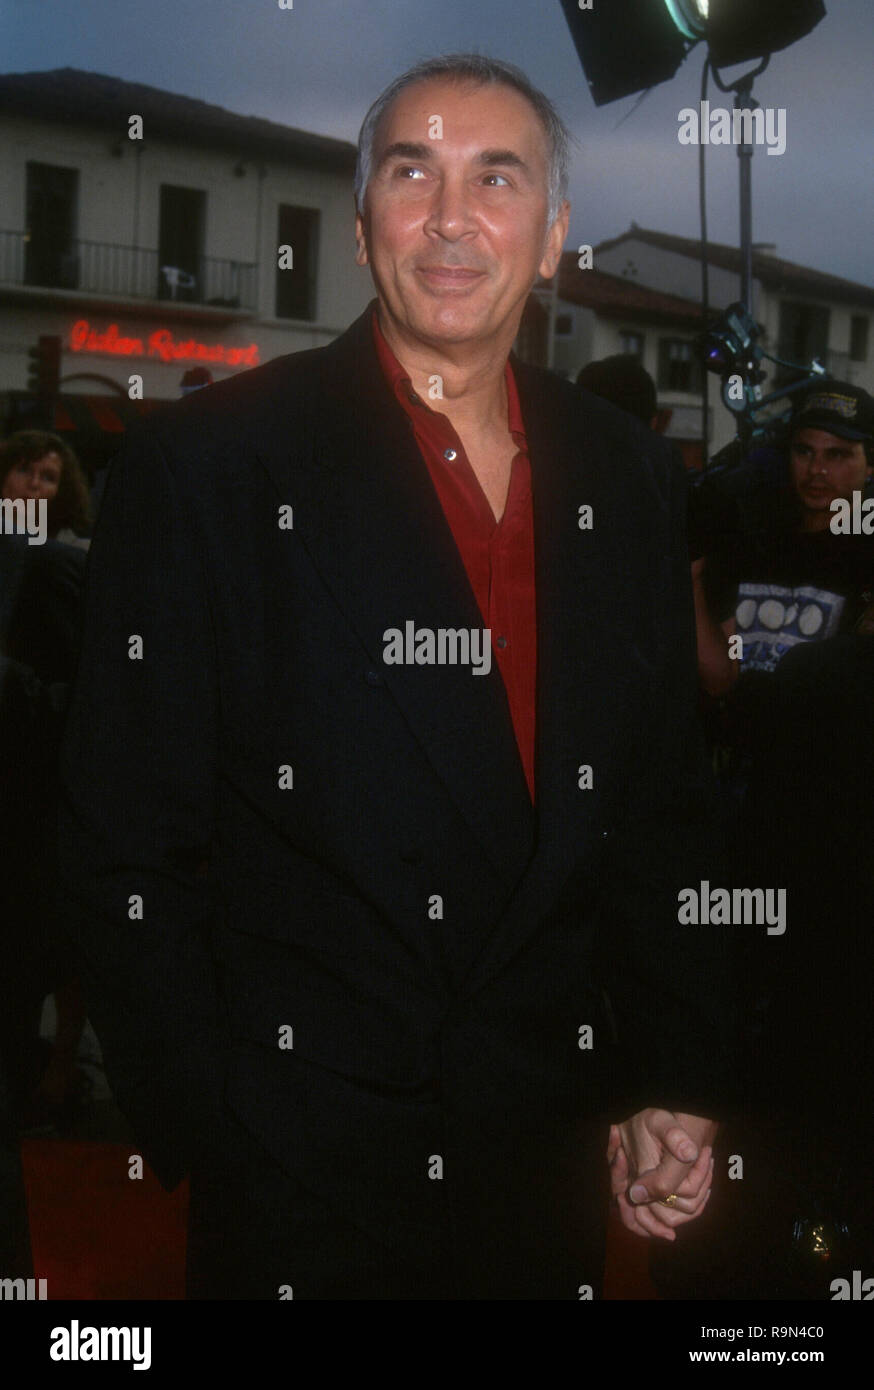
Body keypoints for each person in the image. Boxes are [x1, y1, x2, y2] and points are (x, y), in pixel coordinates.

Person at [57, 53, 733, 1301]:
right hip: (301, 1165)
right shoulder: (211, 470)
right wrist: (213, 1114)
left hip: (541, 1146)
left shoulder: (629, 477)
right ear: (365, 226)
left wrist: (662, 1073)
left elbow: (658, 812)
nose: (451, 218)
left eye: (496, 178)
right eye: (411, 173)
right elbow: (122, 837)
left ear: (550, 240)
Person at [0, 430, 92, 550]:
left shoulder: (80, 552)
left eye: (48, 478)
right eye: (23, 470)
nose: (34, 483)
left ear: (62, 492)